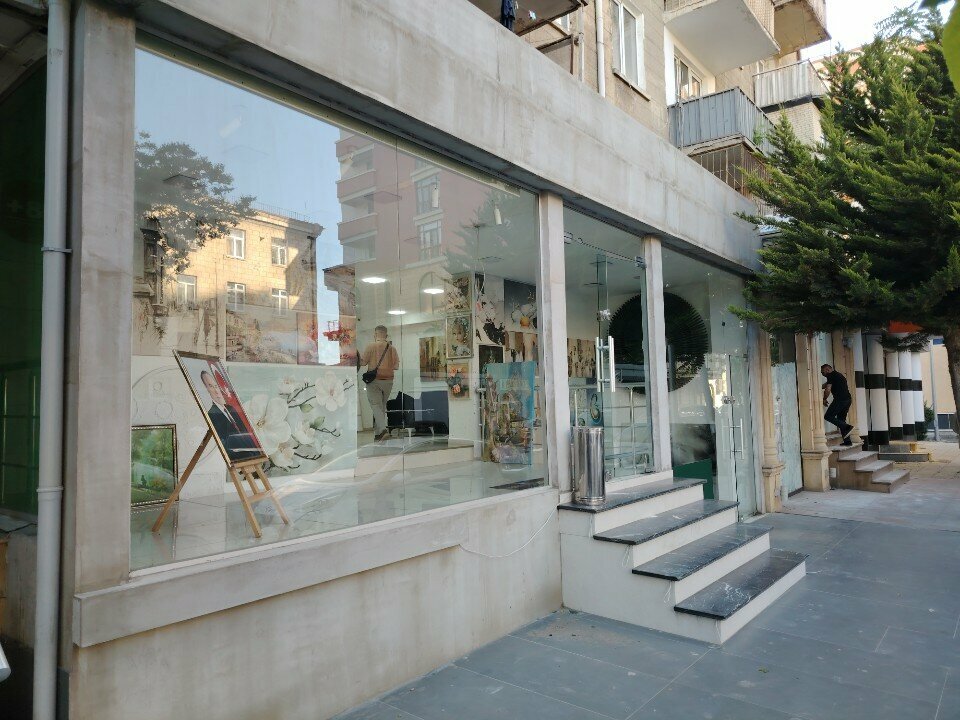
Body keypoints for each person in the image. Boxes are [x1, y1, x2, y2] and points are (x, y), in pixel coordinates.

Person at [200, 369, 262, 461]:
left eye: (216, 386)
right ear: (206, 389)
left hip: (254, 455)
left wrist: (258, 454)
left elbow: (245, 432)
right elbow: (226, 445)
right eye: (211, 386)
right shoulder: (211, 415)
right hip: (238, 459)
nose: (216, 390)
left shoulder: (231, 408)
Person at [359, 325, 400, 442]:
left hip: (374, 381)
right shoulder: (392, 348)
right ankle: (378, 434)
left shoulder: (370, 346)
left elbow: (362, 363)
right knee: (381, 406)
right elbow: (396, 366)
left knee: (376, 405)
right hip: (388, 381)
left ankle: (383, 430)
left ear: (375, 334)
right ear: (386, 335)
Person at [821, 363, 854, 445]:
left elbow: (828, 389)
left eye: (823, 372)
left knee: (828, 416)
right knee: (841, 420)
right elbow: (826, 385)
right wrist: (818, 387)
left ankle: (847, 427)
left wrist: (824, 399)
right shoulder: (838, 375)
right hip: (847, 400)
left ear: (827, 370)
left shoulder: (830, 375)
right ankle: (847, 441)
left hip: (840, 400)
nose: (822, 374)